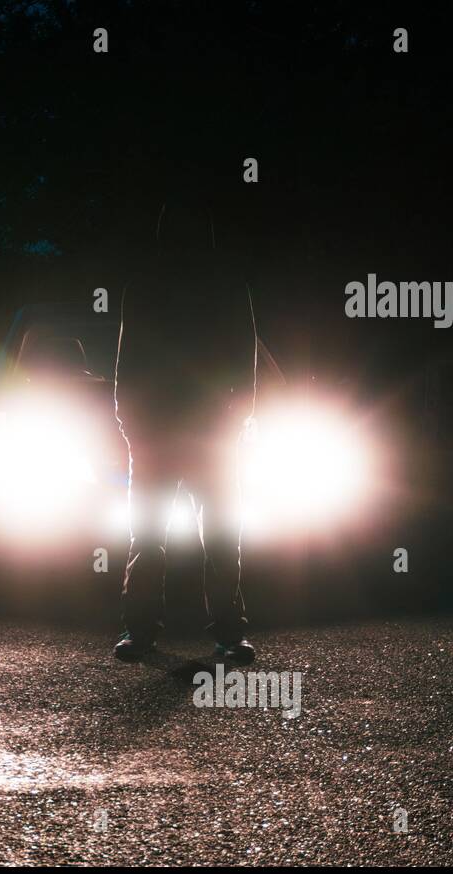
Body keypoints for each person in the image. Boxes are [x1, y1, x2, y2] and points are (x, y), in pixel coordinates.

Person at [111, 199, 257, 665]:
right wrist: (129, 418)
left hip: (201, 431)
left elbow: (244, 355)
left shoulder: (222, 287)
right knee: (180, 537)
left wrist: (238, 416)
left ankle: (155, 633)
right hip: (170, 430)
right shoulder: (159, 287)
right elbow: (128, 357)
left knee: (192, 536)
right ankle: (171, 633)